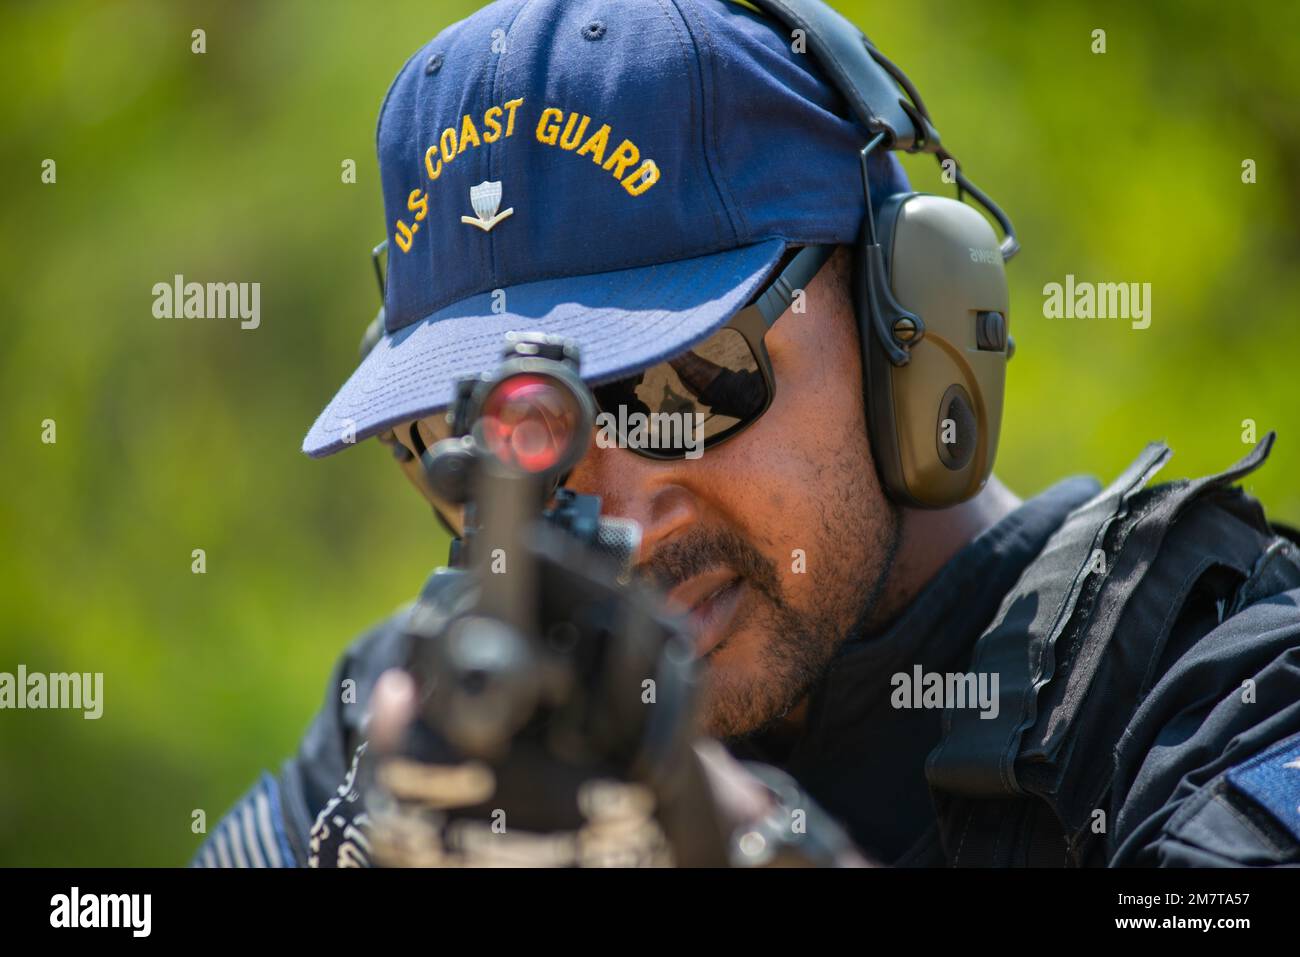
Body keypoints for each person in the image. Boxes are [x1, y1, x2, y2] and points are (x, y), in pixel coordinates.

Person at [194, 0, 1300, 868]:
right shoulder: (441, 721)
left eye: (686, 384)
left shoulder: (1225, 696)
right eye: (495, 438)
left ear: (904, 316)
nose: (618, 511)